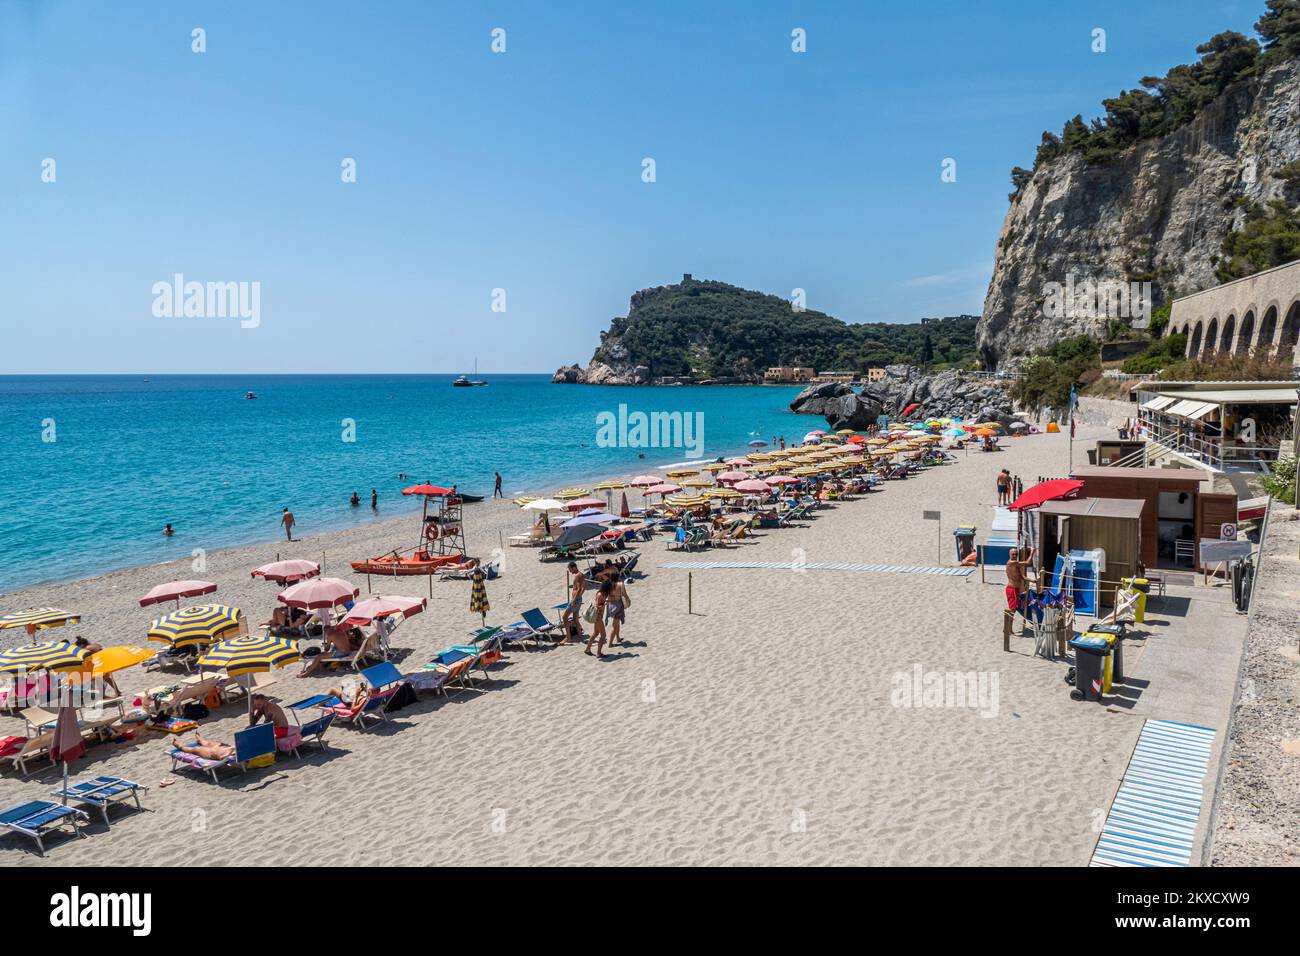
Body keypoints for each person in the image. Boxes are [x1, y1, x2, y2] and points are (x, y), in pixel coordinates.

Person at [1005, 546, 1036, 635]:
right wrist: (1032, 552)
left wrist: (1031, 580)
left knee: (1013, 609)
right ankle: (1008, 629)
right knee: (1012, 610)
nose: (1014, 555)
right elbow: (1028, 562)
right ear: (1010, 555)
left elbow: (1022, 577)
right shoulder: (1012, 563)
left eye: (1016, 554)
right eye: (1013, 554)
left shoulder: (1016, 565)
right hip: (1012, 589)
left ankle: (1008, 629)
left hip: (1015, 590)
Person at [585, 578, 614, 658]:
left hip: (599, 616)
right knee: (603, 635)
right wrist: (604, 604)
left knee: (595, 633)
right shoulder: (600, 594)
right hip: (598, 617)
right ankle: (598, 653)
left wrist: (606, 602)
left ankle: (587, 649)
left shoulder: (603, 594)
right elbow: (597, 606)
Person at [560, 561, 586, 644]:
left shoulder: (578, 575)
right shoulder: (581, 574)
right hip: (579, 599)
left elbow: (578, 588)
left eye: (570, 569)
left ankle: (568, 637)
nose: (570, 571)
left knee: (564, 617)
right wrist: (579, 596)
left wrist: (574, 599)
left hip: (575, 600)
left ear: (573, 567)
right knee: (575, 619)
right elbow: (584, 587)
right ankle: (580, 637)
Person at [605, 573, 631, 647]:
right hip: (617, 606)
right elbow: (624, 594)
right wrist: (628, 600)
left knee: (617, 623)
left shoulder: (608, 584)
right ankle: (610, 643)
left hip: (610, 605)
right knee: (615, 626)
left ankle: (618, 638)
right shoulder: (620, 584)